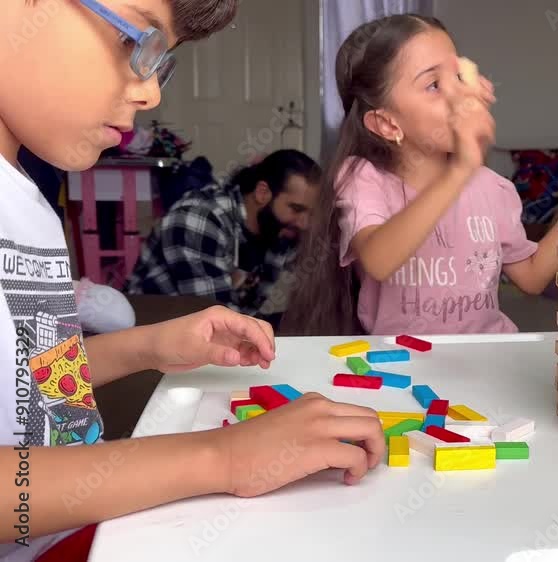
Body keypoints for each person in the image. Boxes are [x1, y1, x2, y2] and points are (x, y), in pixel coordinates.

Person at [0, 2, 384, 560]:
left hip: (84, 526)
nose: (151, 92)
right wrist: (222, 458)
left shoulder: (28, 203)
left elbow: (30, 385)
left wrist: (146, 347)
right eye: (133, 39)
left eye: (161, 63)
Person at [281, 14, 558, 336]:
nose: (462, 93)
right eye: (434, 84)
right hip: (402, 370)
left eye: (460, 76)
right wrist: (462, 169)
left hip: (485, 362)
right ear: (387, 123)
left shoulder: (493, 188)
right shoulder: (364, 178)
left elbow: (532, 277)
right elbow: (379, 258)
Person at [125, 149, 321, 325]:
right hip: (150, 333)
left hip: (209, 334)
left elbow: (321, 270)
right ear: (263, 193)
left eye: (311, 214)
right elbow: (216, 319)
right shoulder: (199, 219)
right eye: (296, 209)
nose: (304, 223)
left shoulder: (279, 228)